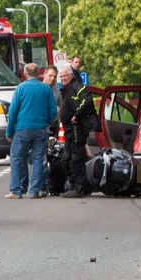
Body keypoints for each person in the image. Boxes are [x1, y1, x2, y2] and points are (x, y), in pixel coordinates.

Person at [6, 62, 57, 199]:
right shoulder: (45, 89)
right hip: (40, 129)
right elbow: (53, 111)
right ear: (39, 73)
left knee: (17, 158)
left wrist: (9, 132)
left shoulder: (21, 88)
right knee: (38, 160)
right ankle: (35, 190)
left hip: (22, 129)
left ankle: (16, 190)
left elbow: (13, 112)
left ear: (25, 73)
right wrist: (46, 123)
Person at [56, 65, 97, 197]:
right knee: (66, 159)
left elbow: (87, 100)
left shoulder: (77, 86)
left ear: (71, 75)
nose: (63, 79)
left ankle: (80, 189)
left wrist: (76, 115)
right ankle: (74, 186)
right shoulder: (65, 88)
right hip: (68, 129)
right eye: (61, 76)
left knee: (76, 158)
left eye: (64, 76)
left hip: (77, 128)